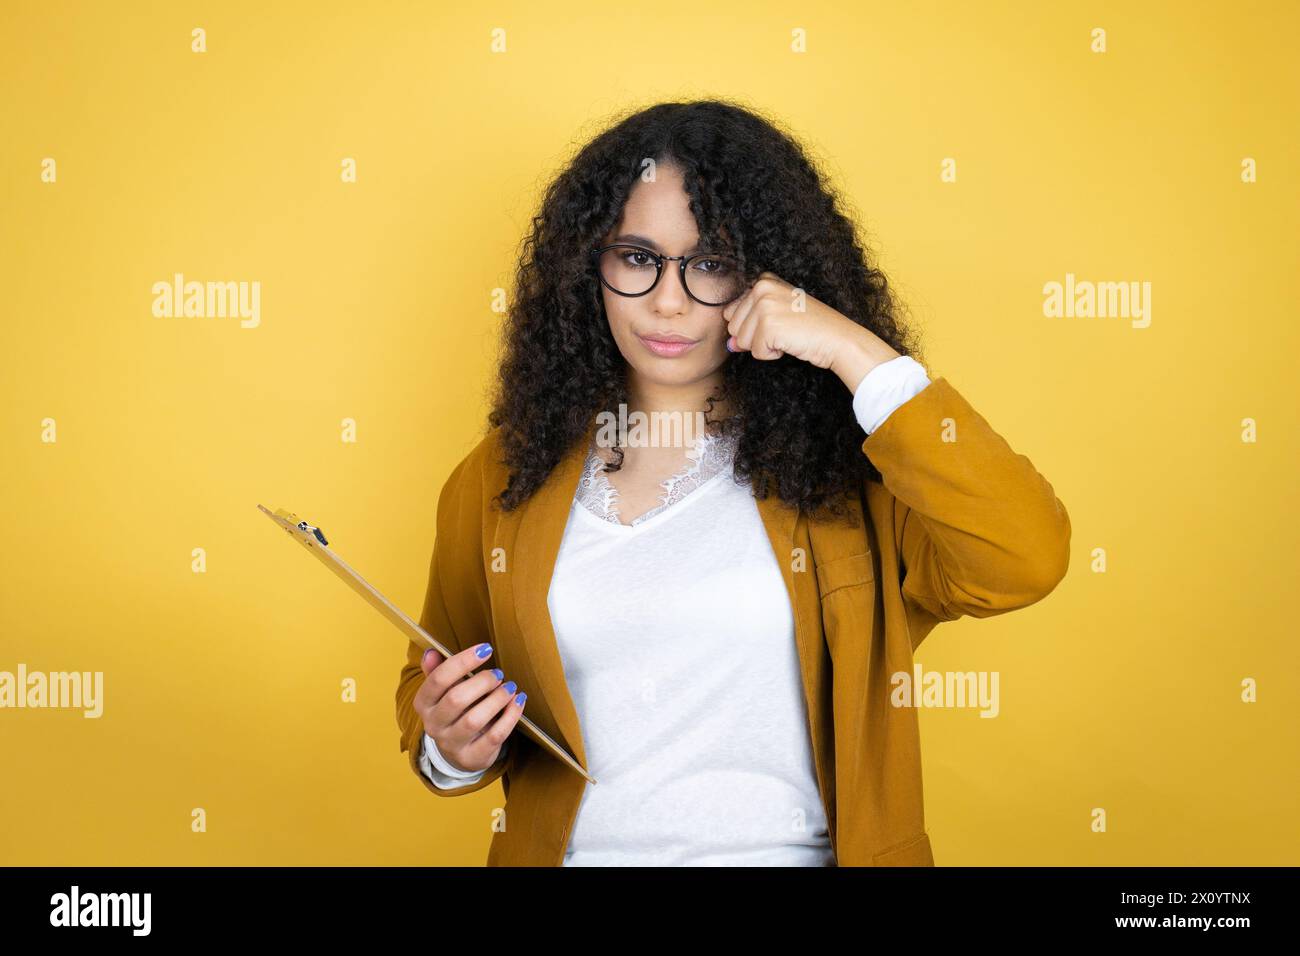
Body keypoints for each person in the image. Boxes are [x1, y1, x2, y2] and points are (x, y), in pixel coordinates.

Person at [395, 99, 1071, 866]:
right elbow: (431, 688)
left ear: (771, 278)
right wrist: (452, 750)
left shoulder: (852, 472)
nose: (669, 299)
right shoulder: (501, 475)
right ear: (591, 268)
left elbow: (1026, 557)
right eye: (637, 257)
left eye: (711, 263)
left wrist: (853, 351)